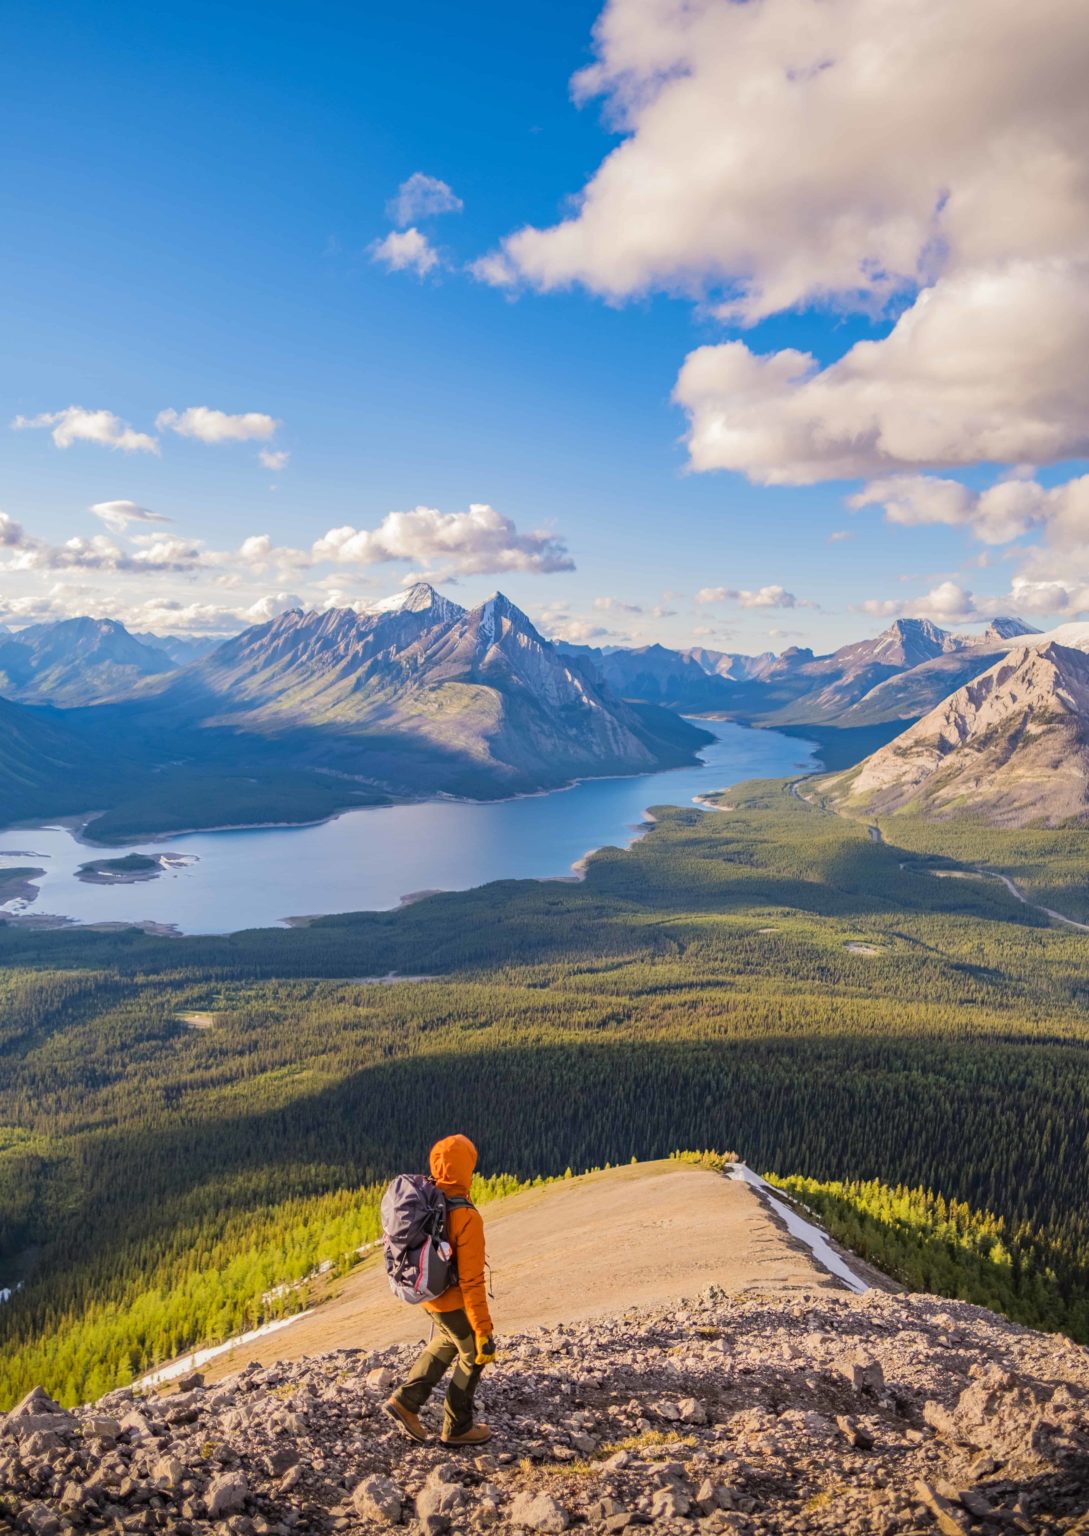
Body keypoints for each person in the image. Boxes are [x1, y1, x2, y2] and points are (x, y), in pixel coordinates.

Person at [386, 1133, 496, 1446]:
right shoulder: (466, 1217)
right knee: (474, 1353)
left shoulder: (427, 1198)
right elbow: (472, 1282)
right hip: (451, 1300)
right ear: (467, 1168)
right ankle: (458, 1427)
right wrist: (484, 1331)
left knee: (448, 1340)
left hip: (426, 1291)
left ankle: (406, 1403)